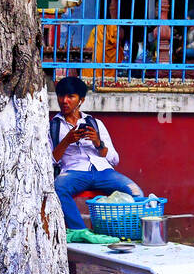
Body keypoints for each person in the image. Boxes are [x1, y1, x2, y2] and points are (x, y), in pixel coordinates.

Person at [51, 75, 142, 230]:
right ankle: (80, 232)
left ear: (81, 100)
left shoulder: (95, 123)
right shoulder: (53, 126)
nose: (64, 101)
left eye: (70, 96)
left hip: (103, 171)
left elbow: (114, 159)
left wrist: (98, 143)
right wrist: (67, 141)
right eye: (61, 96)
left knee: (136, 192)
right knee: (58, 189)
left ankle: (125, 230)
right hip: (74, 172)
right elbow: (50, 161)